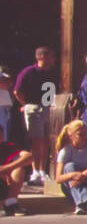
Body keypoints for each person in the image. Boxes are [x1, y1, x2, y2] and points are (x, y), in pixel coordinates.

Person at [13, 46, 56, 184]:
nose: (52, 60)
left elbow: (51, 92)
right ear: (42, 57)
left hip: (47, 107)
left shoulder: (50, 73)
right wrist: (25, 104)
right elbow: (17, 91)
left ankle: (43, 170)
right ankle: (35, 171)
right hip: (34, 107)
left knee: (45, 140)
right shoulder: (28, 72)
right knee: (36, 140)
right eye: (50, 56)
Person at [1, 139, 33, 215]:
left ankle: (10, 203)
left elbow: (29, 156)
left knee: (19, 169)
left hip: (3, 185)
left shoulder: (7, 146)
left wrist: (6, 168)